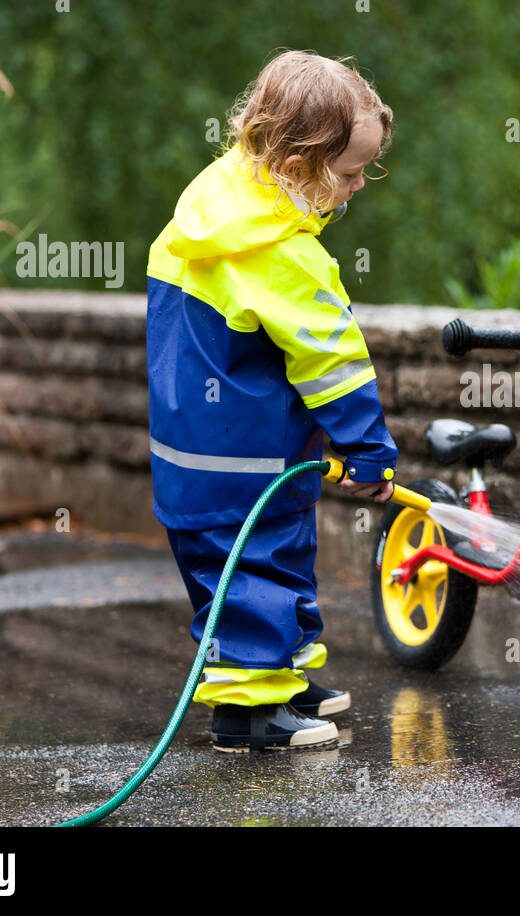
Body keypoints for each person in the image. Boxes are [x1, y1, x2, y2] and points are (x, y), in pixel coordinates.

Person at [145, 50, 397, 752]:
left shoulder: (219, 200)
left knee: (252, 564)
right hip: (246, 452)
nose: (355, 189)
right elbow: (333, 361)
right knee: (255, 569)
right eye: (348, 173)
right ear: (296, 165)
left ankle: (280, 678)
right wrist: (368, 450)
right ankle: (250, 714)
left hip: (200, 446)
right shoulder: (277, 250)